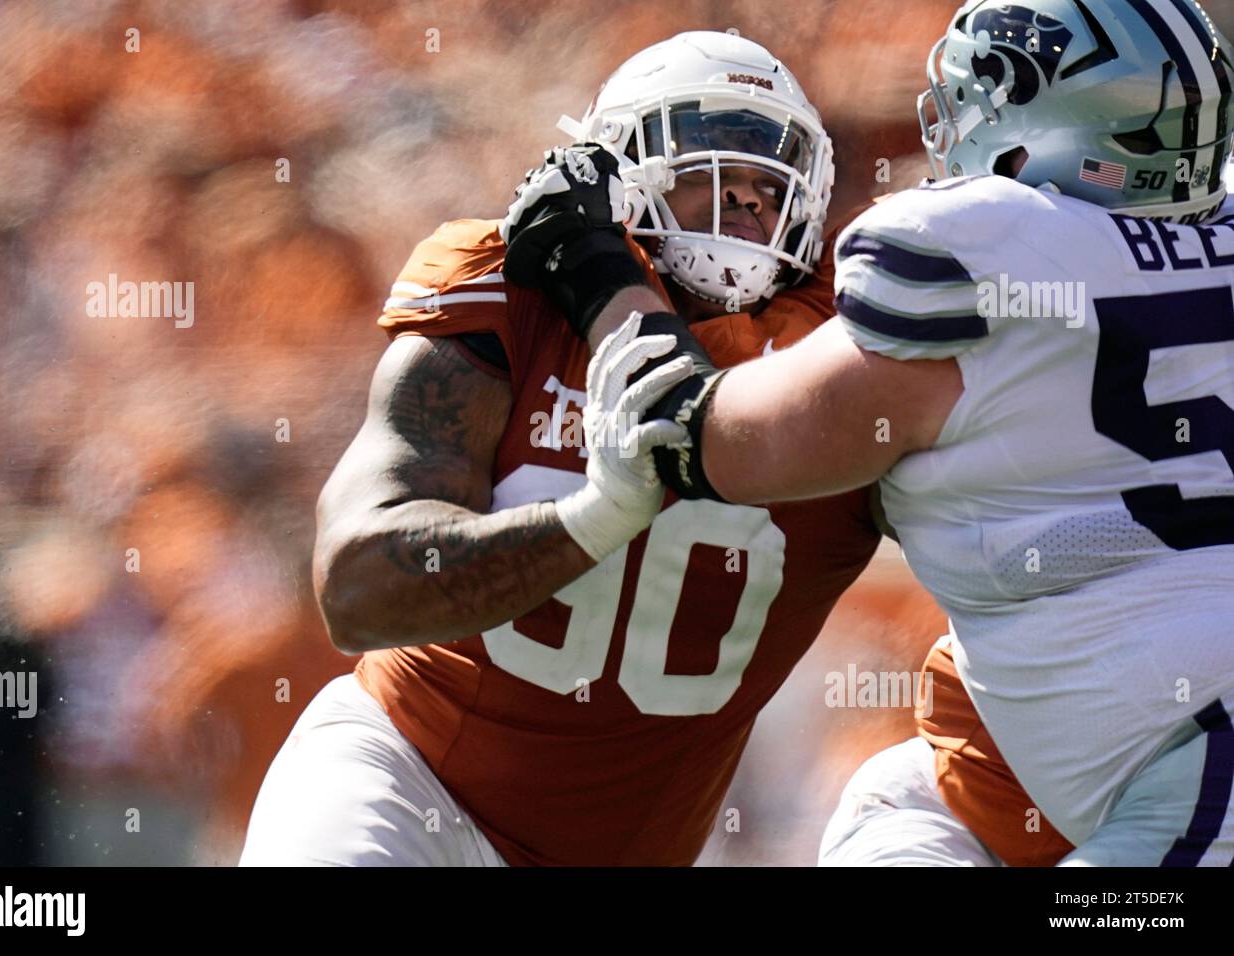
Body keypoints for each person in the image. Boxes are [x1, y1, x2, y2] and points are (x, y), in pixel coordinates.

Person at [571, 1, 1234, 866]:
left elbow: (715, 439)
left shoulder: (982, 253)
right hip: (1121, 735)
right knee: (891, 811)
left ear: (1039, 129)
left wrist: (598, 275)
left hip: (1191, 766)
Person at [239, 30, 920, 867]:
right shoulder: (509, 295)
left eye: (766, 168)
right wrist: (590, 522)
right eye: (716, 157)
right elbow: (358, 589)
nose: (746, 194)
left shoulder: (843, 345)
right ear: (618, 171)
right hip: (410, 780)